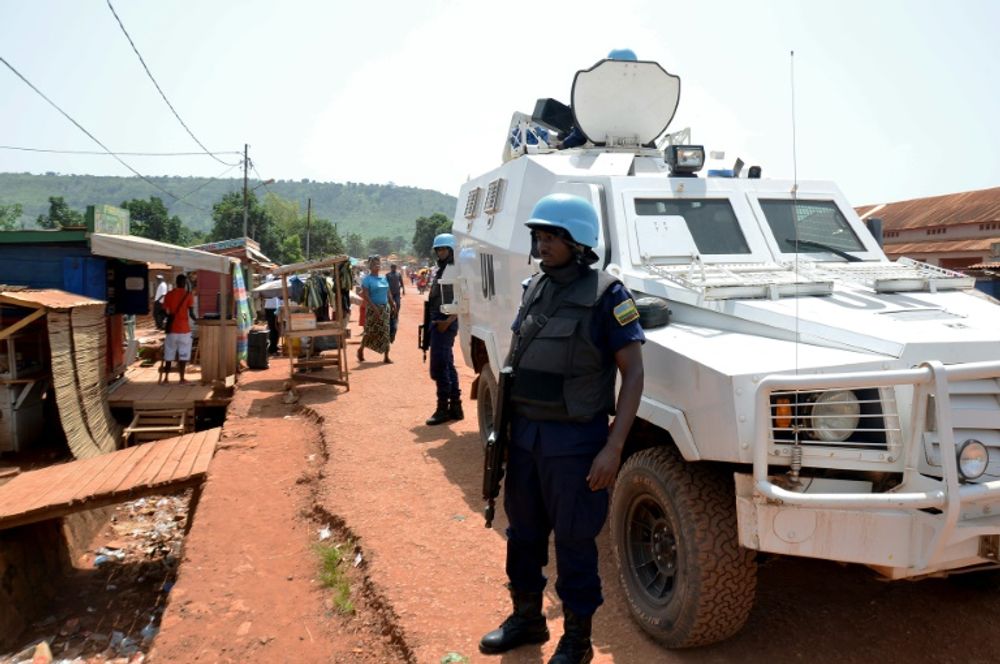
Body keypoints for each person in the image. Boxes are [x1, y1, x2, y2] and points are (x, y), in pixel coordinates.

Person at [479, 194, 645, 664]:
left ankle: (577, 640)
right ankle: (528, 618)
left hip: (575, 444)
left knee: (574, 541)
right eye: (538, 235)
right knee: (524, 535)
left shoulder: (608, 296)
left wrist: (614, 448)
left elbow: (633, 374)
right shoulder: (534, 288)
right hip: (527, 438)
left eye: (551, 236)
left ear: (578, 241)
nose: (541, 243)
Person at [424, 233, 463, 425]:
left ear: (451, 250)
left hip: (445, 322)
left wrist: (449, 321)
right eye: (438, 249)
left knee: (439, 366)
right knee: (447, 363)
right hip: (438, 320)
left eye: (444, 249)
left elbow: (463, 297)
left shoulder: (454, 269)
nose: (440, 252)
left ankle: (442, 409)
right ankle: (456, 406)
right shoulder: (442, 270)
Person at [357, 255, 395, 364]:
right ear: (370, 266)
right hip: (372, 309)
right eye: (374, 264)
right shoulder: (367, 279)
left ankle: (386, 356)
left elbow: (388, 292)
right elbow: (366, 295)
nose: (377, 265)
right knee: (370, 332)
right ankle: (361, 349)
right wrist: (375, 308)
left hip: (384, 309)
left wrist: (393, 304)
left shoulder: (384, 278)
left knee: (385, 332)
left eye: (378, 263)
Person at [161, 273, 196, 384]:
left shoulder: (169, 295)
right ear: (185, 283)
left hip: (171, 329)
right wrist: (198, 320)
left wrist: (170, 317)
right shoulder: (188, 295)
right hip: (184, 330)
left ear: (176, 282)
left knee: (169, 353)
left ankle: (166, 378)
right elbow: (191, 314)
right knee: (183, 354)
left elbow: (164, 311)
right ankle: (181, 378)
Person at [385, 263, 405, 343]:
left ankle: (396, 315)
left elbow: (401, 282)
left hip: (397, 293)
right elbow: (385, 284)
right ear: (391, 268)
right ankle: (390, 315)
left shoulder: (398, 274)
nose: (394, 268)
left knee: (398, 304)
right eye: (392, 267)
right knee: (389, 305)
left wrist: (403, 290)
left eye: (395, 267)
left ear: (396, 267)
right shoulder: (387, 275)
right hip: (390, 293)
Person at [263, 274, 282, 355]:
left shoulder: (271, 282)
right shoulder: (270, 281)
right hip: (272, 308)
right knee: (274, 329)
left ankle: (274, 346)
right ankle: (272, 348)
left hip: (274, 308)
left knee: (276, 328)